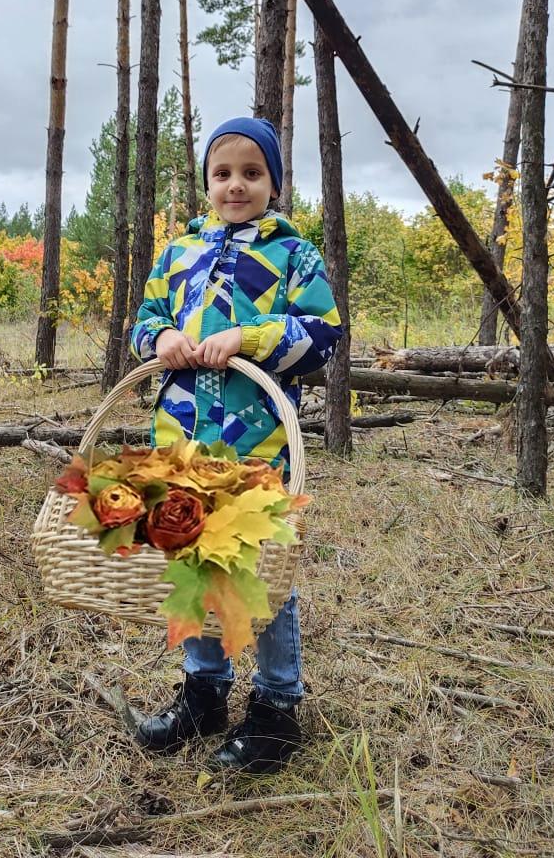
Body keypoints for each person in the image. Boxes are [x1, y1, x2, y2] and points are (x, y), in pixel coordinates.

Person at [129, 116, 342, 774]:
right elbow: (145, 324)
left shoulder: (291, 255)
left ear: (273, 183)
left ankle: (277, 706)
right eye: (222, 173)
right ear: (206, 182)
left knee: (260, 576)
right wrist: (162, 340)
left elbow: (323, 333)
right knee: (192, 567)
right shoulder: (178, 254)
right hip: (182, 447)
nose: (235, 185)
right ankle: (204, 692)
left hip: (256, 450)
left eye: (252, 173)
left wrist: (248, 338)